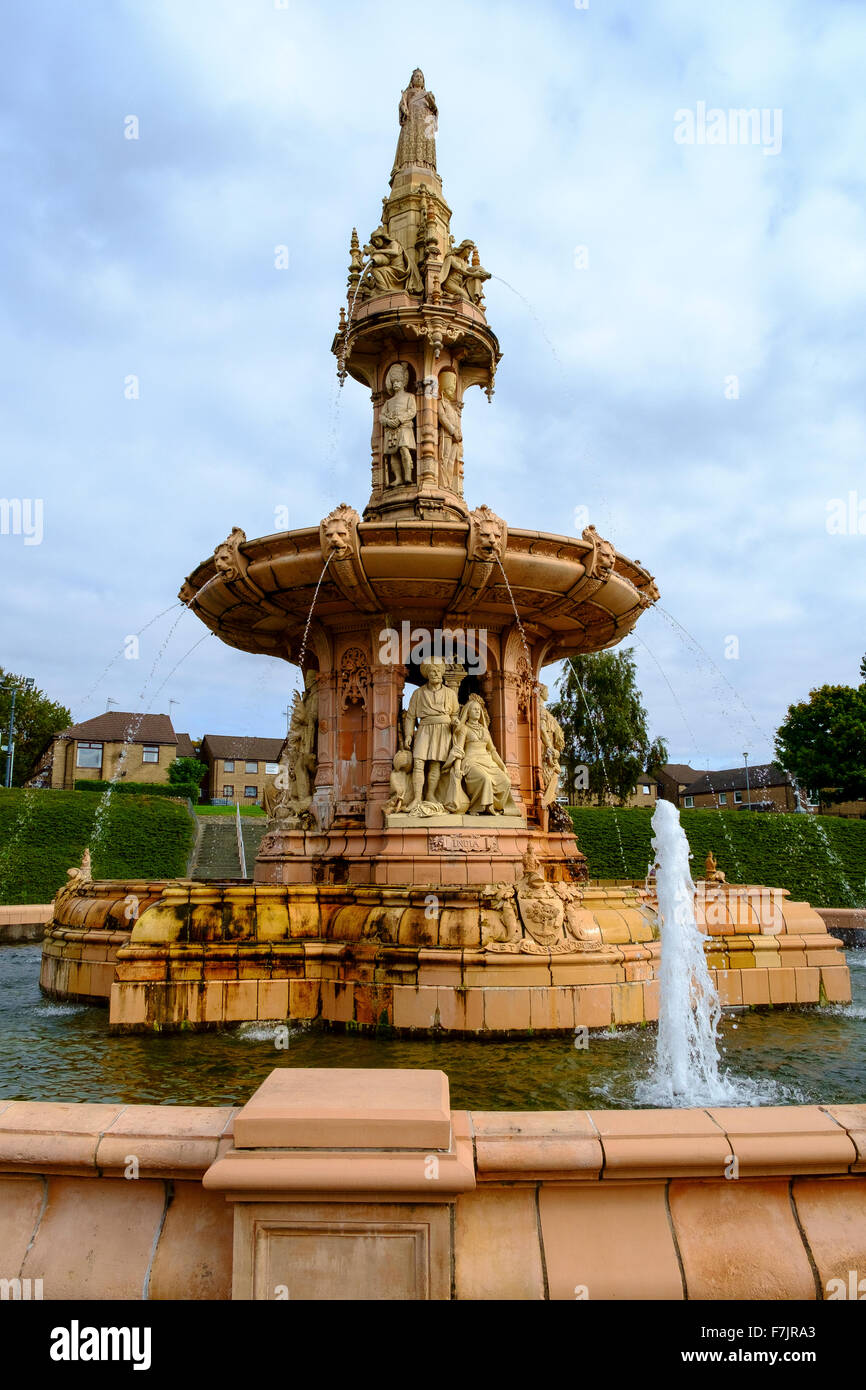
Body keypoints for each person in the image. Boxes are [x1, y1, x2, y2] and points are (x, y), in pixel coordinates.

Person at [443, 693, 517, 815]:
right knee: (485, 779)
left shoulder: (484, 730)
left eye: (479, 709)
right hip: (471, 762)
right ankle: (477, 807)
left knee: (506, 781)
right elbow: (459, 750)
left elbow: (492, 750)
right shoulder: (464, 729)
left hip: (488, 762)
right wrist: (457, 768)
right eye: (474, 709)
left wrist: (502, 765)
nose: (477, 711)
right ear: (468, 712)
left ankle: (496, 807)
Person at [403, 659, 459, 810]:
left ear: (442, 673)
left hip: (443, 730)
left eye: (438, 670)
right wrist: (408, 735)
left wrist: (455, 723)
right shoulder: (418, 693)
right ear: (427, 674)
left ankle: (430, 795)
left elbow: (454, 714)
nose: (435, 673)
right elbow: (410, 717)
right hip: (425, 729)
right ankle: (416, 798)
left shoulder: (450, 694)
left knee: (435, 765)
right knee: (419, 763)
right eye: (432, 671)